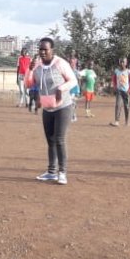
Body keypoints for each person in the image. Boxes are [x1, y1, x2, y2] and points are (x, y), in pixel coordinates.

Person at [27, 38, 77, 186]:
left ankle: (62, 172)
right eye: (40, 49)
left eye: (45, 49)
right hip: (47, 108)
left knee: (59, 139)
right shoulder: (38, 66)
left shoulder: (61, 64)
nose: (42, 52)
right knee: (50, 140)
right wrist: (30, 69)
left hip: (63, 107)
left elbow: (73, 80)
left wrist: (61, 89)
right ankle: (51, 172)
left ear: (52, 50)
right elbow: (29, 84)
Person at [111, 57, 130, 127]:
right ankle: (116, 121)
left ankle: (127, 121)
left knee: (126, 106)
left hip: (126, 91)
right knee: (118, 105)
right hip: (119, 91)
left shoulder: (128, 72)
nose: (122, 63)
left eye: (123, 62)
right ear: (119, 62)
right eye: (120, 62)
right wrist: (115, 87)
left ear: (126, 63)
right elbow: (114, 79)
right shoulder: (116, 71)